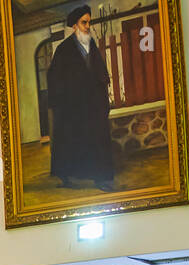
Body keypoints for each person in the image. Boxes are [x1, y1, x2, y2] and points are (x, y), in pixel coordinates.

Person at [46, 4, 116, 191]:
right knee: (72, 141)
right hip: (74, 107)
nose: (87, 26)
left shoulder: (91, 44)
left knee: (98, 140)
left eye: (88, 23)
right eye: (83, 23)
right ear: (75, 25)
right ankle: (66, 178)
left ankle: (101, 179)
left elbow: (100, 72)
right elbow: (54, 77)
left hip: (92, 105)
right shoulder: (63, 49)